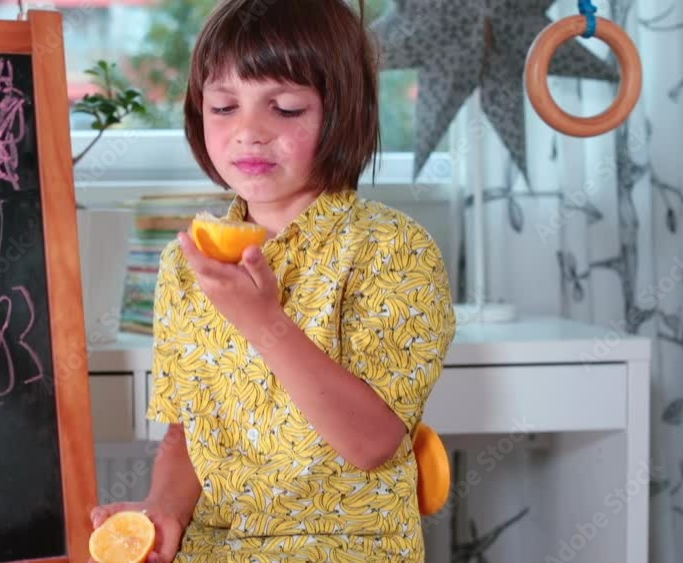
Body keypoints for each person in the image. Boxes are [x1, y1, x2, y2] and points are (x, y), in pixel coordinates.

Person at [90, 0, 457, 560]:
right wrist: (164, 509)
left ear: (343, 114)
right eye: (224, 106)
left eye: (285, 108)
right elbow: (189, 435)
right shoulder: (185, 264)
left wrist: (264, 323)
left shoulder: (392, 250)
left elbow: (372, 442)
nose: (248, 133)